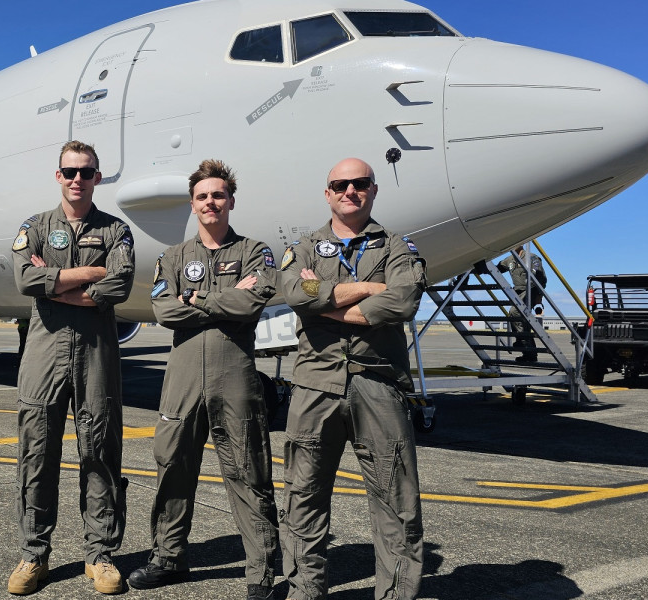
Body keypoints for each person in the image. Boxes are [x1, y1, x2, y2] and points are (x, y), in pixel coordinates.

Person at [275, 158, 426, 600]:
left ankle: (396, 594)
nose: (350, 191)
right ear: (328, 193)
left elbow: (403, 302)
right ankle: (305, 591)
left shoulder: (397, 246)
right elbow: (293, 292)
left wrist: (324, 304)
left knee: (396, 500)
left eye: (360, 183)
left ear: (373, 189)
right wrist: (370, 288)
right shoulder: (304, 248)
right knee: (302, 496)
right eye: (340, 185)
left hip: (378, 383)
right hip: (315, 385)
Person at [130, 159, 279, 600]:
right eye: (202, 196)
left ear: (231, 200)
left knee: (249, 471)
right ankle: (168, 558)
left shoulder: (255, 252)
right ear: (192, 205)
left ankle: (262, 572)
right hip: (182, 379)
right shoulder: (173, 256)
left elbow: (252, 304)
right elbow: (164, 310)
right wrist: (223, 299)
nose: (210, 202)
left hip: (235, 378)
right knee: (172, 467)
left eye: (218, 195)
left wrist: (194, 299)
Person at [7, 140, 135, 595]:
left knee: (100, 451)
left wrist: (56, 284)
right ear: (58, 176)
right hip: (45, 354)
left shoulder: (116, 231)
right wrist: (90, 274)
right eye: (70, 171)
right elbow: (25, 278)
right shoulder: (35, 227)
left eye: (86, 172)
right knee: (37, 452)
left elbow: (120, 284)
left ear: (97, 177)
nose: (77, 179)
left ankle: (99, 555)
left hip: (96, 356)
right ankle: (34, 554)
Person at [497, 245, 547, 362]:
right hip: (518, 293)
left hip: (531, 291)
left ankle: (521, 341)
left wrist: (539, 295)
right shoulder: (509, 260)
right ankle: (529, 354)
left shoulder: (532, 258)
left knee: (514, 312)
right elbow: (497, 269)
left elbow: (541, 278)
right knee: (522, 321)